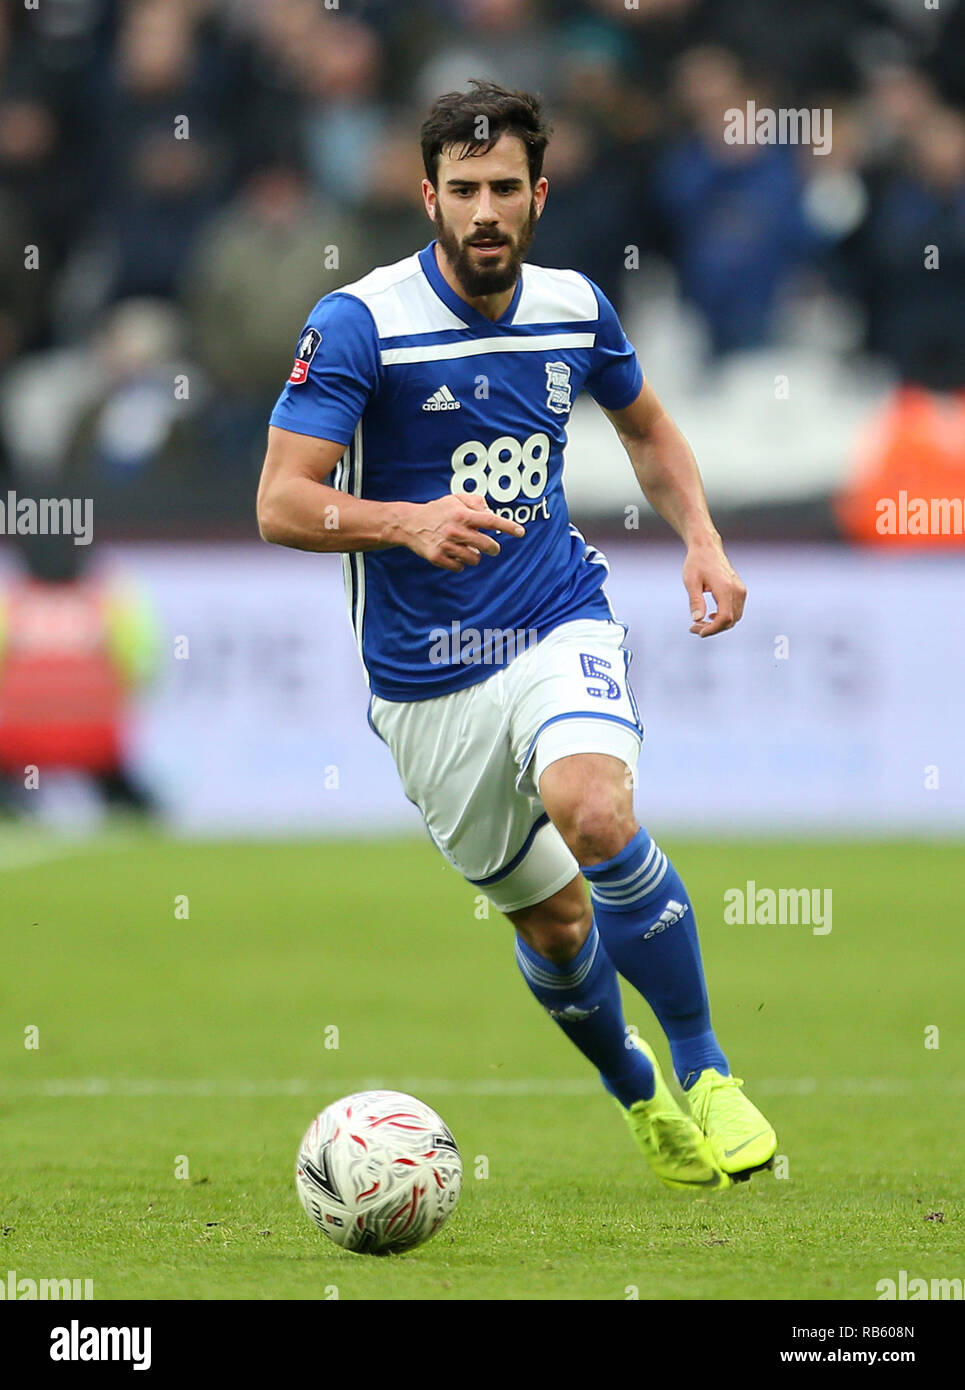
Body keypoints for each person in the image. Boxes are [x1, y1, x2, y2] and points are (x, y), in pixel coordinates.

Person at [257, 79, 776, 1192]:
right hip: (422, 681)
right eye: (462, 190)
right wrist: (404, 519)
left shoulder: (575, 306)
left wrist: (701, 538)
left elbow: (644, 427)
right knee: (551, 924)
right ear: (426, 195)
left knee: (595, 808)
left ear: (537, 194)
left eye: (503, 188)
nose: (483, 210)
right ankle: (635, 1091)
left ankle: (707, 1068)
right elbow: (280, 503)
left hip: (552, 618)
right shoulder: (359, 324)